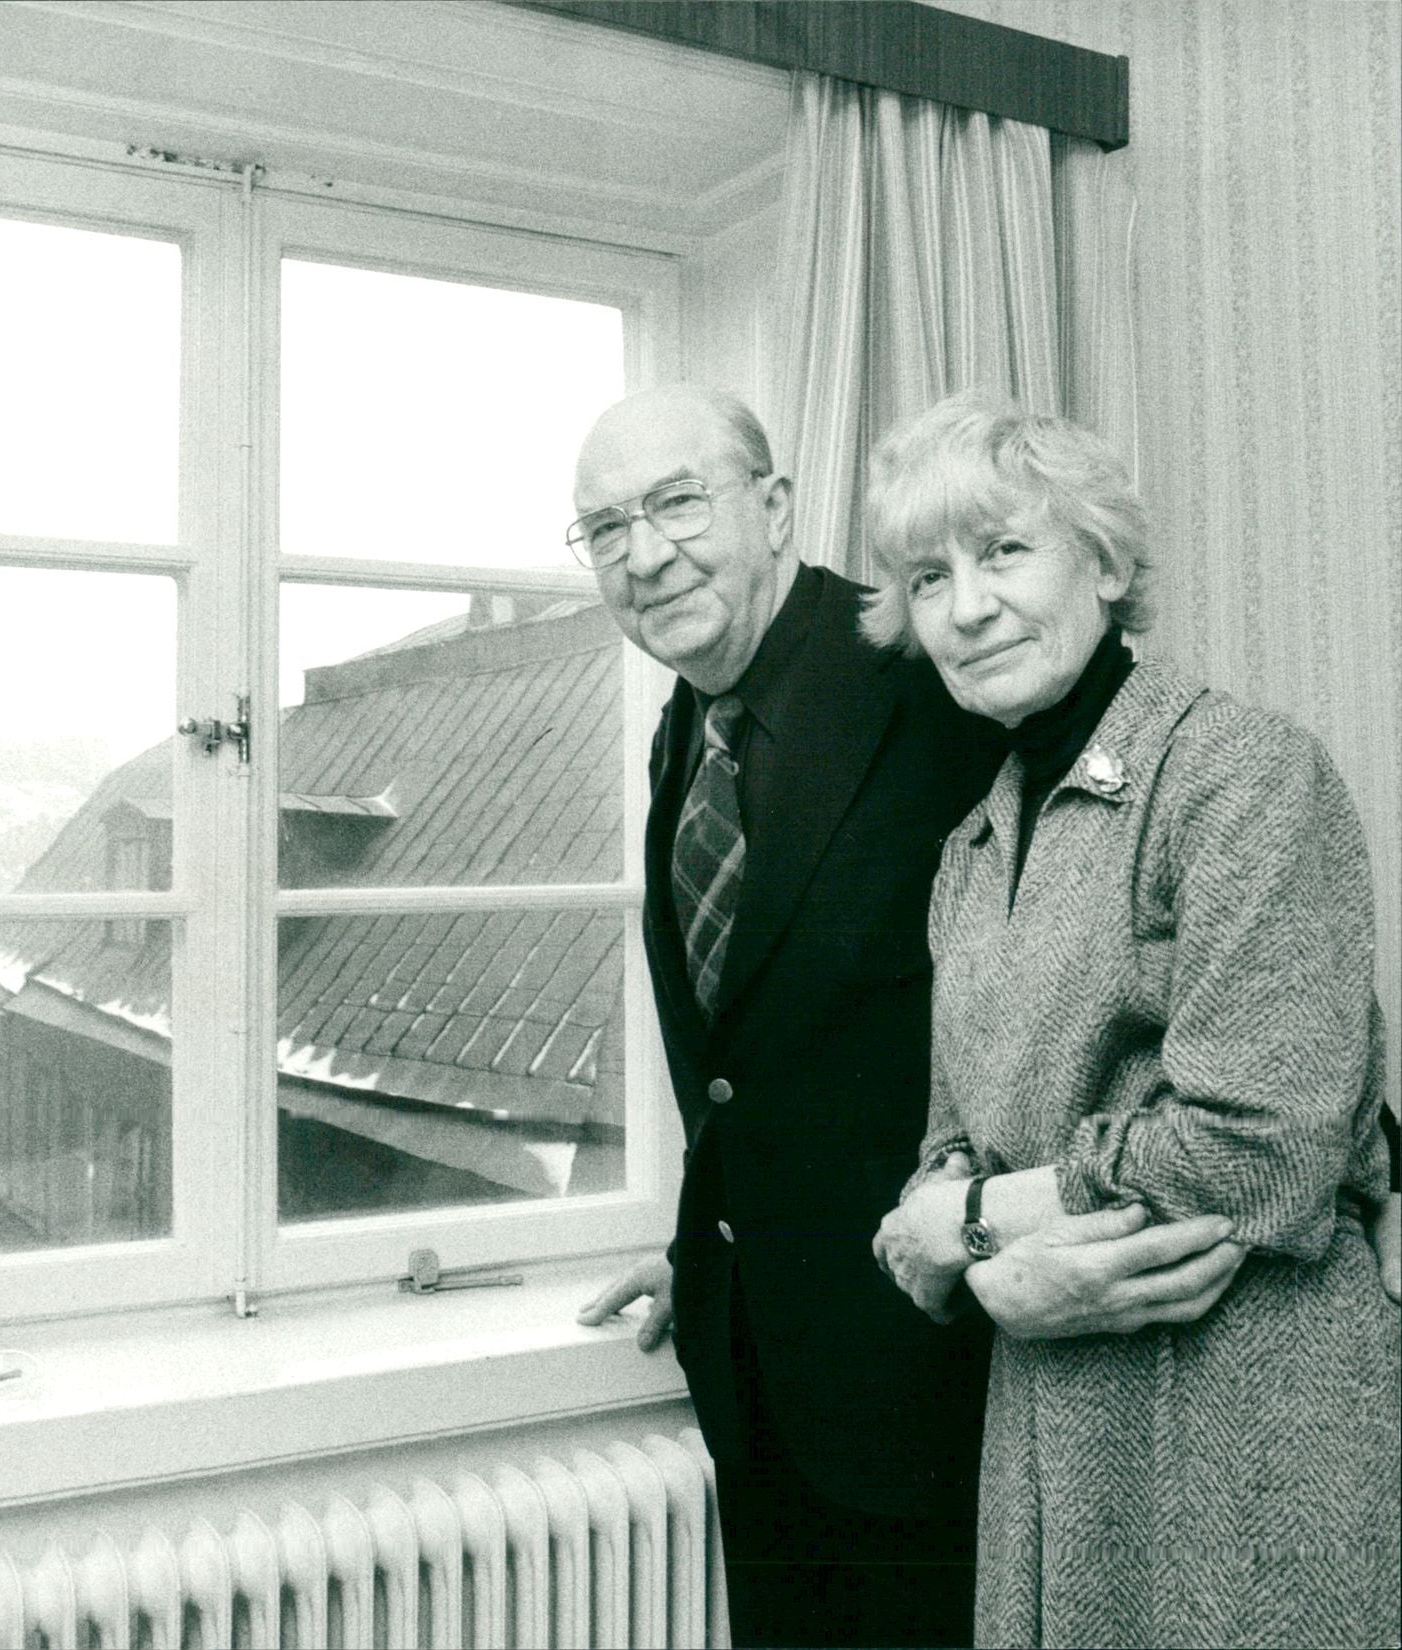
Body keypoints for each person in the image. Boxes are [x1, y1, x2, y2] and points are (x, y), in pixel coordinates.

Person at [568, 384, 1402, 1648]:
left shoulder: (972, 691)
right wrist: (728, 1228)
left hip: (1092, 1364)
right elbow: (837, 1055)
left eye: (677, 501)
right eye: (603, 527)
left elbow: (1263, 1054)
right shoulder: (756, 747)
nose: (962, 607)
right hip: (879, 1362)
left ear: (772, 506)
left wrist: (1372, 1161)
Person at [867, 394, 1401, 1648]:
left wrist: (976, 1225)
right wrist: (967, 1224)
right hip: (1046, 1409)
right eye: (925, 576)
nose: (965, 605)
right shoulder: (971, 843)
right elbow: (956, 1140)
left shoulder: (1240, 774)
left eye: (1003, 551)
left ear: (1102, 563)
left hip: (1240, 1404)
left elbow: (1260, 1150)